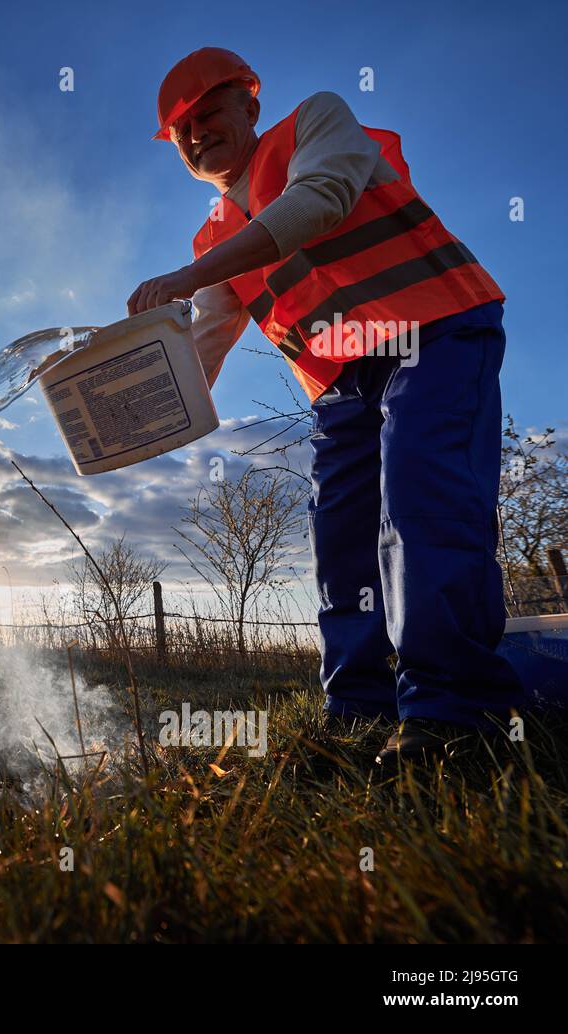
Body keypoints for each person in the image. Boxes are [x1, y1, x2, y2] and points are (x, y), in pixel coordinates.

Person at [125, 48, 520, 770]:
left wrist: (186, 277)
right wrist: (120, 419)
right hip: (344, 383)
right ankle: (359, 709)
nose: (193, 134)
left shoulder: (316, 121)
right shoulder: (213, 237)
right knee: (342, 534)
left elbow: (322, 200)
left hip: (434, 327)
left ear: (249, 103)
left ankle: (454, 714)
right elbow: (200, 355)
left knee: (422, 495)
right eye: (179, 131)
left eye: (207, 113)